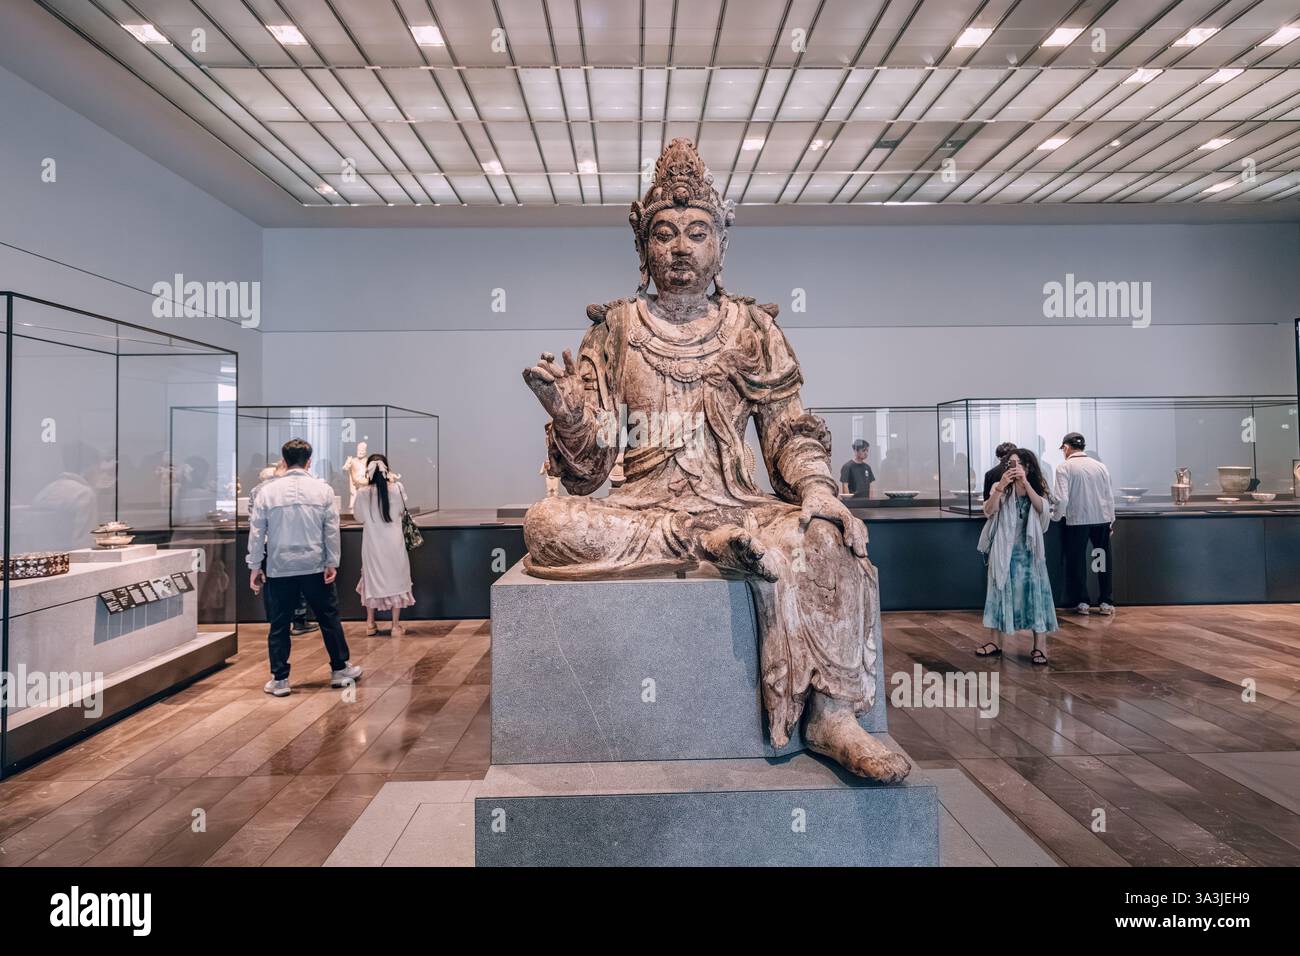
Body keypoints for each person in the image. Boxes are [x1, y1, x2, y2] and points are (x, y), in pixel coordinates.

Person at [247, 438, 361, 697]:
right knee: (328, 618)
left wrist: (254, 566)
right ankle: (339, 668)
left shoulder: (267, 492)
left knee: (279, 623)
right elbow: (331, 531)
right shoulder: (323, 490)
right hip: (315, 564)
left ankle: (280, 679)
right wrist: (332, 562)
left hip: (279, 566)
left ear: (284, 461)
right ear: (309, 460)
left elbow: (257, 533)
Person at [975, 449, 1058, 664]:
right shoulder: (1000, 487)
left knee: (1035, 595)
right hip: (1004, 550)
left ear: (1027, 466)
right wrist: (1001, 486)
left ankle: (1040, 646)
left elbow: (1044, 510)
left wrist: (1026, 484)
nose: (1012, 468)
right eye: (1009, 464)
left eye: (1017, 464)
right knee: (998, 594)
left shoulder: (1036, 487)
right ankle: (994, 642)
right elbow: (988, 510)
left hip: (1030, 553)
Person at [1052, 431, 1116, 616]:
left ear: (1066, 447)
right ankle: (1105, 601)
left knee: (1078, 561)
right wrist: (1111, 520)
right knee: (1103, 560)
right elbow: (1108, 496)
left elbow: (1062, 499)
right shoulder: (1100, 466)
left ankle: (1083, 602)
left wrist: (1055, 517)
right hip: (1101, 519)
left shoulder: (1064, 467)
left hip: (1077, 521)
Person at [251, 461, 318, 636]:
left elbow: (256, 524)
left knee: (273, 587)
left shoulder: (259, 491)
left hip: (270, 545)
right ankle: (298, 622)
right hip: (289, 543)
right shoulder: (276, 490)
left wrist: (254, 562)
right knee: (298, 586)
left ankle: (278, 622)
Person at [353, 453, 415, 636]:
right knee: (396, 577)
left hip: (372, 543)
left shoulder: (362, 493)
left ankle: (370, 624)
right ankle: (395, 626)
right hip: (394, 542)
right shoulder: (397, 488)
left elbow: (359, 517)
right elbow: (402, 511)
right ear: (387, 468)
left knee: (371, 579)